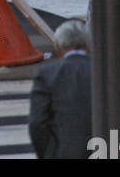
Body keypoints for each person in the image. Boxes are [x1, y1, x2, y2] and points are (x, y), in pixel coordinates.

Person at [29, 19, 92, 159]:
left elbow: (38, 123)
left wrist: (47, 154)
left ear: (57, 48)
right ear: (89, 47)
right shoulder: (108, 70)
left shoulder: (46, 74)